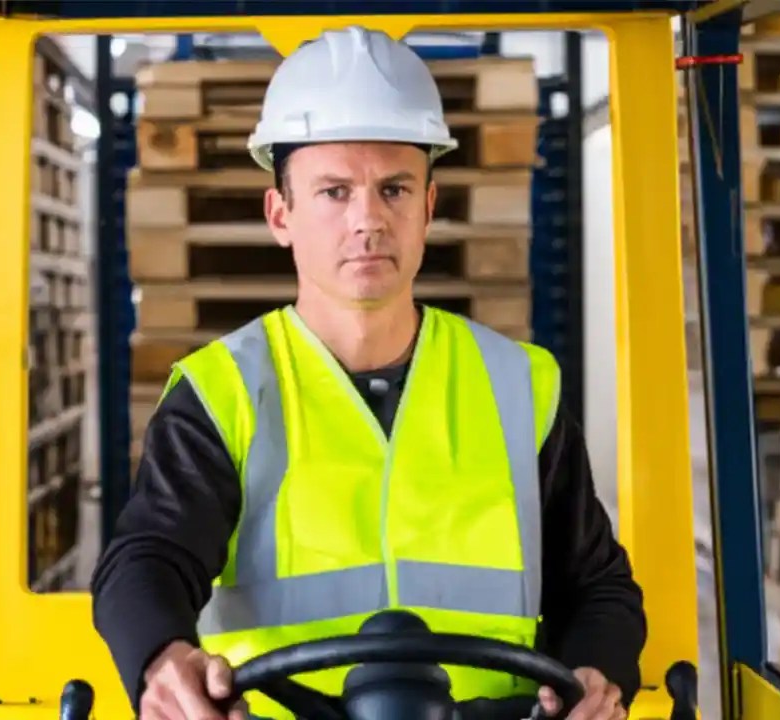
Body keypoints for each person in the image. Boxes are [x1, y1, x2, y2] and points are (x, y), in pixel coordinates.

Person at [91, 25, 647, 720]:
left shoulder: (518, 384)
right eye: (333, 192)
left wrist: (597, 675)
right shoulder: (225, 391)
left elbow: (600, 589)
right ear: (280, 214)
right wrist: (162, 659)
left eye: (393, 189)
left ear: (428, 208)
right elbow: (145, 560)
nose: (368, 221)